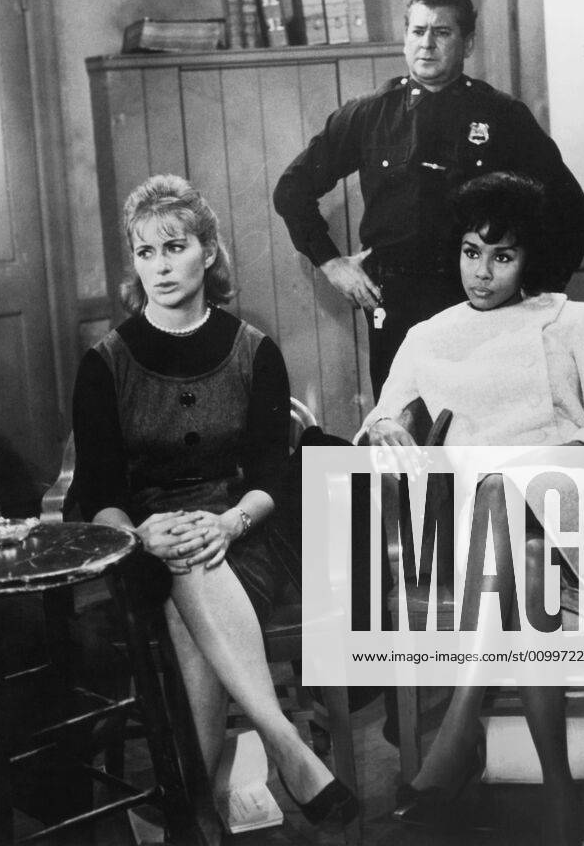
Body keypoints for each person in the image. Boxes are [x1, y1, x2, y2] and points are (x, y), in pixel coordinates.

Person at [71, 175, 357, 839]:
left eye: (175, 247)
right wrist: (141, 534)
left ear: (208, 251)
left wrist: (228, 522)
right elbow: (98, 492)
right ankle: (285, 743)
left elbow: (271, 477)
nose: (160, 265)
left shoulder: (255, 350)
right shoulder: (104, 363)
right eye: (146, 252)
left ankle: (183, 814)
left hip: (247, 533)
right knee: (181, 560)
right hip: (141, 545)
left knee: (191, 573)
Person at [361, 171, 584, 846]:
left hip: (581, 503)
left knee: (503, 489)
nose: (482, 272)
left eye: (502, 255)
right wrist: (387, 426)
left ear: (528, 258)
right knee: (522, 555)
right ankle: (559, 798)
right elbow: (377, 421)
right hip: (488, 537)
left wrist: (539, 463)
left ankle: (457, 737)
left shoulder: (574, 320)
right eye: (471, 252)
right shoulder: (428, 336)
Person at [274, 0, 584, 397]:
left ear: (468, 43)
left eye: (442, 32)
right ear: (405, 37)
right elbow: (292, 190)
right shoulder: (370, 114)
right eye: (417, 31)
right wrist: (332, 264)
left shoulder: (502, 115)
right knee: (400, 418)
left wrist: (535, 292)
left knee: (480, 413)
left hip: (478, 298)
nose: (426, 44)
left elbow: (571, 209)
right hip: (395, 299)